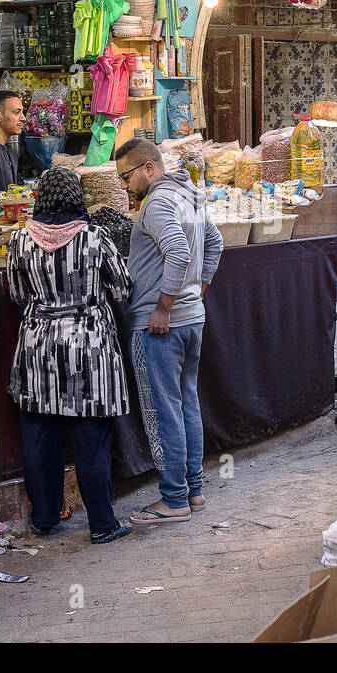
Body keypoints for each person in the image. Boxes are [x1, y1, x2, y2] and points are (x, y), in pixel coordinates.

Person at [6, 167, 133, 545]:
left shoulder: (18, 241)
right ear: (77, 198)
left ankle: (44, 519)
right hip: (88, 349)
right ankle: (102, 524)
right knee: (90, 440)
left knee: (39, 436)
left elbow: (16, 294)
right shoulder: (96, 238)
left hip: (37, 347)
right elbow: (123, 288)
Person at [114, 138, 223, 525]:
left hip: (162, 322)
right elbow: (214, 241)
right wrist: (197, 290)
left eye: (126, 176)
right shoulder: (190, 194)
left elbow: (178, 250)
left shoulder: (157, 203)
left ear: (148, 168)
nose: (125, 186)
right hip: (192, 318)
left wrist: (164, 306)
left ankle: (174, 498)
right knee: (186, 401)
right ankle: (193, 490)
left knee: (164, 409)